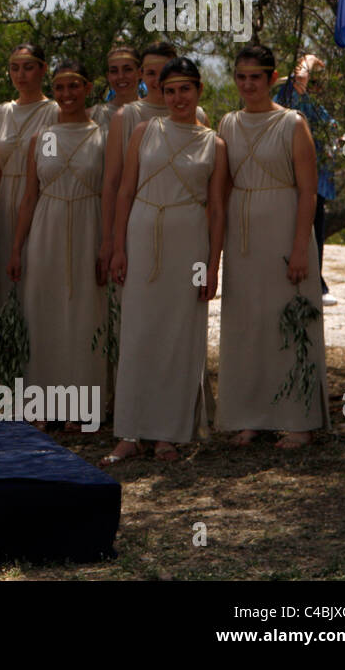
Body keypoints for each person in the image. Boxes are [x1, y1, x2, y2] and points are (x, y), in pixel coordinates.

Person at [103, 57, 227, 465]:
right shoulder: (144, 130)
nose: (177, 98)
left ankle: (167, 435)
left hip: (189, 240)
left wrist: (212, 265)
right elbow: (124, 191)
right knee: (139, 332)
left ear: (199, 92)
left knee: (179, 335)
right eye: (170, 90)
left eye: (185, 89)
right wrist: (118, 247)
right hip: (143, 232)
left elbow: (216, 209)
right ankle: (129, 433)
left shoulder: (215, 143)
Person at [217, 46, 330, 447]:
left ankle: (299, 420)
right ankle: (254, 417)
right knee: (249, 325)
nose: (248, 85)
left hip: (285, 230)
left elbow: (308, 192)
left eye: (256, 77)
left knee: (290, 320)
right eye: (241, 77)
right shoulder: (228, 124)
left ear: (271, 78)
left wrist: (301, 248)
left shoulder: (293, 123)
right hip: (244, 236)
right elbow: (224, 185)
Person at [7, 60, 106, 427]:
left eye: (74, 87)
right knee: (44, 315)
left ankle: (82, 409)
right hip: (46, 229)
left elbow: (109, 192)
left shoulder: (102, 136)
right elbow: (29, 197)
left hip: (88, 224)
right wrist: (17, 247)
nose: (66, 95)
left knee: (84, 315)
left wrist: (107, 243)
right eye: (60, 88)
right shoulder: (42, 138)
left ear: (87, 88)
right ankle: (43, 407)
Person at [100, 41, 208, 285]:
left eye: (163, 73)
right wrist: (110, 242)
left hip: (186, 228)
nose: (158, 80)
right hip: (138, 229)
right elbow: (113, 183)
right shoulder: (126, 117)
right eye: (150, 73)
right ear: (141, 74)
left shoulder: (198, 116)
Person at [0, 44, 58, 306]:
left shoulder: (55, 112)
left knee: (36, 284)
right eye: (14, 68)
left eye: (28, 68)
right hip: (5, 204)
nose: (21, 75)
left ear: (43, 70)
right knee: (6, 285)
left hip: (40, 203)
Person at [275, 55, 340, 305]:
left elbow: (331, 128)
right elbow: (300, 77)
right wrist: (309, 60)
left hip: (317, 179)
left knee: (315, 234)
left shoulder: (314, 104)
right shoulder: (285, 99)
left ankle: (317, 283)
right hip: (290, 180)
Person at [90, 44, 142, 133]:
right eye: (114, 71)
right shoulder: (94, 116)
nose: (121, 76)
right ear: (108, 76)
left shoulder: (155, 113)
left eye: (127, 69)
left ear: (139, 73)